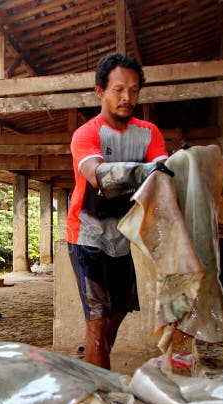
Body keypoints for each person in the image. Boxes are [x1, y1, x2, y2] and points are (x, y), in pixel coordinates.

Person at [67, 53, 171, 369]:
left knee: (118, 311)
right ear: (100, 90)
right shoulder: (87, 134)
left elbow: (164, 177)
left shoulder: (149, 133)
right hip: (88, 235)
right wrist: (153, 169)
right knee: (98, 318)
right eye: (118, 89)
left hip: (127, 236)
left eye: (134, 90)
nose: (127, 97)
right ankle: (102, 392)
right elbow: (98, 176)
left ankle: (94, 363)